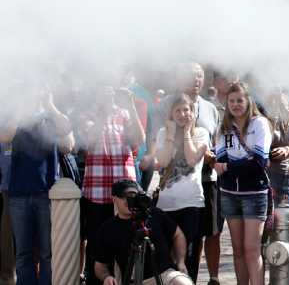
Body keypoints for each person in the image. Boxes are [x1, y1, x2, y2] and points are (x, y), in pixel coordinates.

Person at [1, 87, 75, 285]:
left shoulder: (52, 116)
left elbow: (68, 143)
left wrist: (49, 105)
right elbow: (5, 136)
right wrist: (21, 108)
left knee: (47, 252)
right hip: (18, 193)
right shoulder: (16, 115)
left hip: (47, 193)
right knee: (23, 253)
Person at [81, 86, 146, 285]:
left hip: (124, 189)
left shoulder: (125, 113)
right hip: (97, 191)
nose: (108, 93)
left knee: (127, 239)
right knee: (96, 241)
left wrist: (131, 107)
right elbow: (88, 143)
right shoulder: (87, 114)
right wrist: (103, 113)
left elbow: (139, 140)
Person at [213, 82, 271, 285]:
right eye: (231, 101)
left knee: (251, 249)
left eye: (240, 100)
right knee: (237, 249)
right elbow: (219, 161)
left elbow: (259, 163)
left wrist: (229, 167)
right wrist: (231, 166)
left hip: (254, 194)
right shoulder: (224, 127)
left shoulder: (259, 124)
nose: (235, 104)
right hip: (229, 193)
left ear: (248, 101)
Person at [152, 94, 210, 282]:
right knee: (166, 257)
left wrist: (186, 133)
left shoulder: (201, 133)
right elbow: (163, 161)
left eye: (186, 110)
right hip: (165, 205)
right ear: (171, 114)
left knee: (189, 258)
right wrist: (170, 135)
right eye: (177, 110)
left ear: (193, 112)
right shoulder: (163, 133)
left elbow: (192, 159)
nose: (182, 114)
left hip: (191, 203)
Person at [92, 179, 192, 285]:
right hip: (131, 281)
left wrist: (180, 262)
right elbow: (100, 265)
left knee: (183, 283)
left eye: (133, 195)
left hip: (165, 275)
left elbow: (178, 235)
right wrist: (106, 277)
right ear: (114, 199)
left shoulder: (154, 214)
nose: (129, 200)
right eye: (124, 196)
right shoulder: (108, 228)